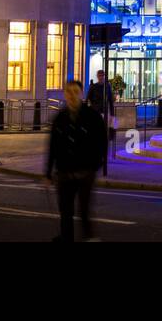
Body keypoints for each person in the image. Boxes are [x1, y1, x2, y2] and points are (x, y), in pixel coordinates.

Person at [44, 80, 108, 242]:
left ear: (81, 94)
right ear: (65, 94)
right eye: (68, 92)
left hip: (85, 172)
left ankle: (89, 238)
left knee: (84, 211)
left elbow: (102, 142)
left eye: (75, 92)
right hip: (64, 173)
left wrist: (96, 165)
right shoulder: (60, 117)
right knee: (66, 213)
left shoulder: (92, 116)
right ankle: (67, 238)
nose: (72, 95)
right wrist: (48, 173)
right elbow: (53, 145)